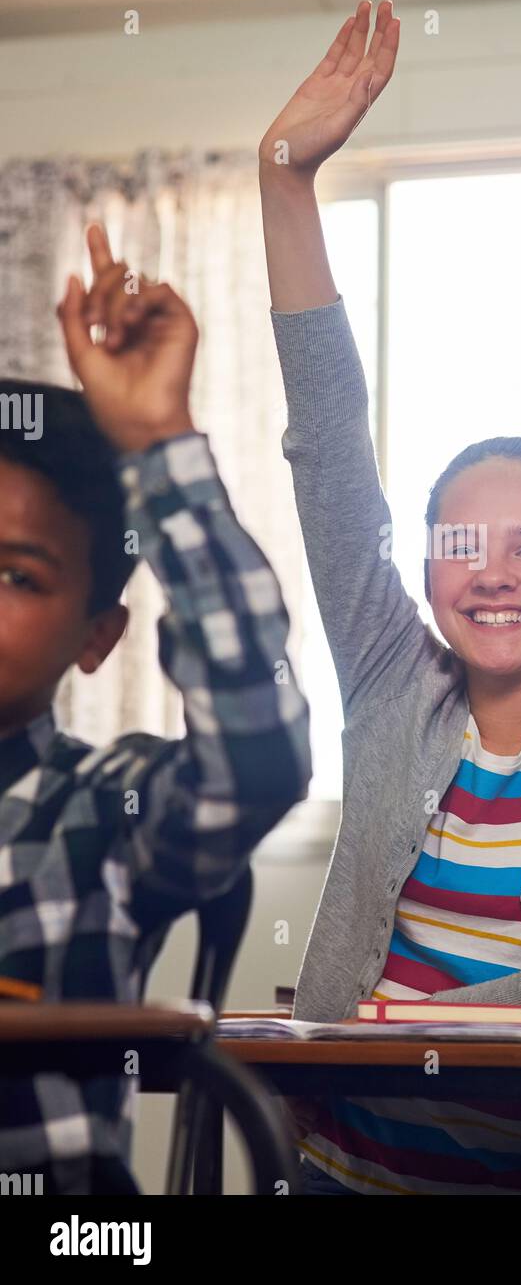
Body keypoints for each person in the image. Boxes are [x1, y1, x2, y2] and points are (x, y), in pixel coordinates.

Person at [259, 0, 521, 1195]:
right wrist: (287, 184)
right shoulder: (392, 680)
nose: (491, 571)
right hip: (331, 1173)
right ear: (425, 567)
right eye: (462, 541)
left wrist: (370, 1028)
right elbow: (332, 450)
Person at [0, 225, 311, 1193]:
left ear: (96, 637)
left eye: (14, 575)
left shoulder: (95, 815)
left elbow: (254, 756)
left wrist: (157, 446)